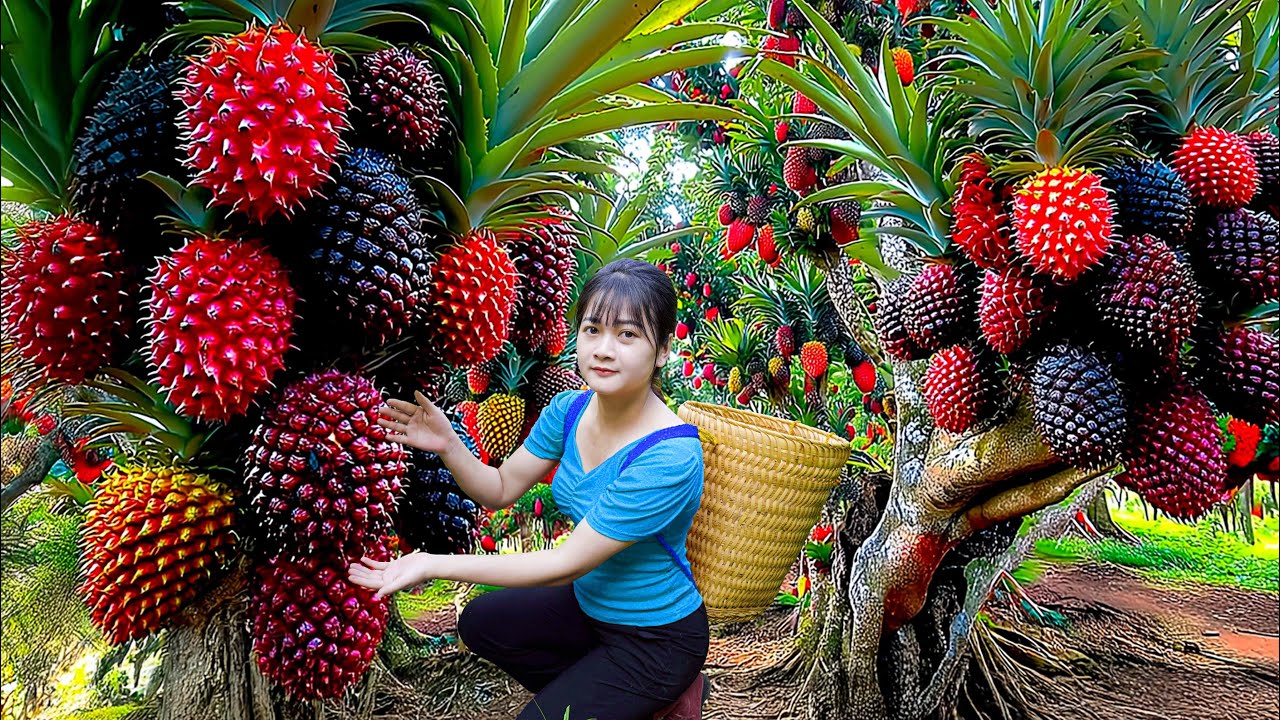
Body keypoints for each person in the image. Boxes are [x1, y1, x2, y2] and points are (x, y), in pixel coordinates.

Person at [349, 259, 710, 720]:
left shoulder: (669, 457)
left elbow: (562, 564)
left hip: (655, 637)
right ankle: (616, 699)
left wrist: (430, 564)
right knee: (482, 624)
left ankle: (660, 692)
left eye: (627, 335)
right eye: (592, 329)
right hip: (588, 608)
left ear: (661, 350)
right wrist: (447, 444)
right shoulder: (568, 411)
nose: (603, 349)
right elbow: (498, 488)